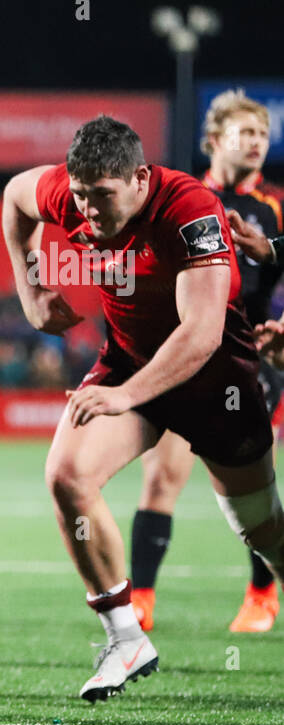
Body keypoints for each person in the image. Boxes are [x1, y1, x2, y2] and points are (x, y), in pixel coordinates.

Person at [2, 116, 284, 702]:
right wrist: (32, 291)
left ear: (138, 179)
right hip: (128, 361)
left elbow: (201, 332)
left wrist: (127, 397)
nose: (88, 212)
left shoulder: (190, 207)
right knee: (67, 475)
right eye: (80, 196)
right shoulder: (69, 192)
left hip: (214, 380)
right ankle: (125, 636)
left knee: (260, 529)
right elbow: (14, 199)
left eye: (102, 197)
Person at [128, 90, 284, 633]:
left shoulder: (275, 209)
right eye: (247, 134)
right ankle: (141, 598)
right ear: (215, 140)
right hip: (187, 353)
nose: (259, 144)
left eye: (263, 135)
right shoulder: (181, 197)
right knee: (161, 476)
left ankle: (262, 591)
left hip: (249, 359)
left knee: (251, 490)